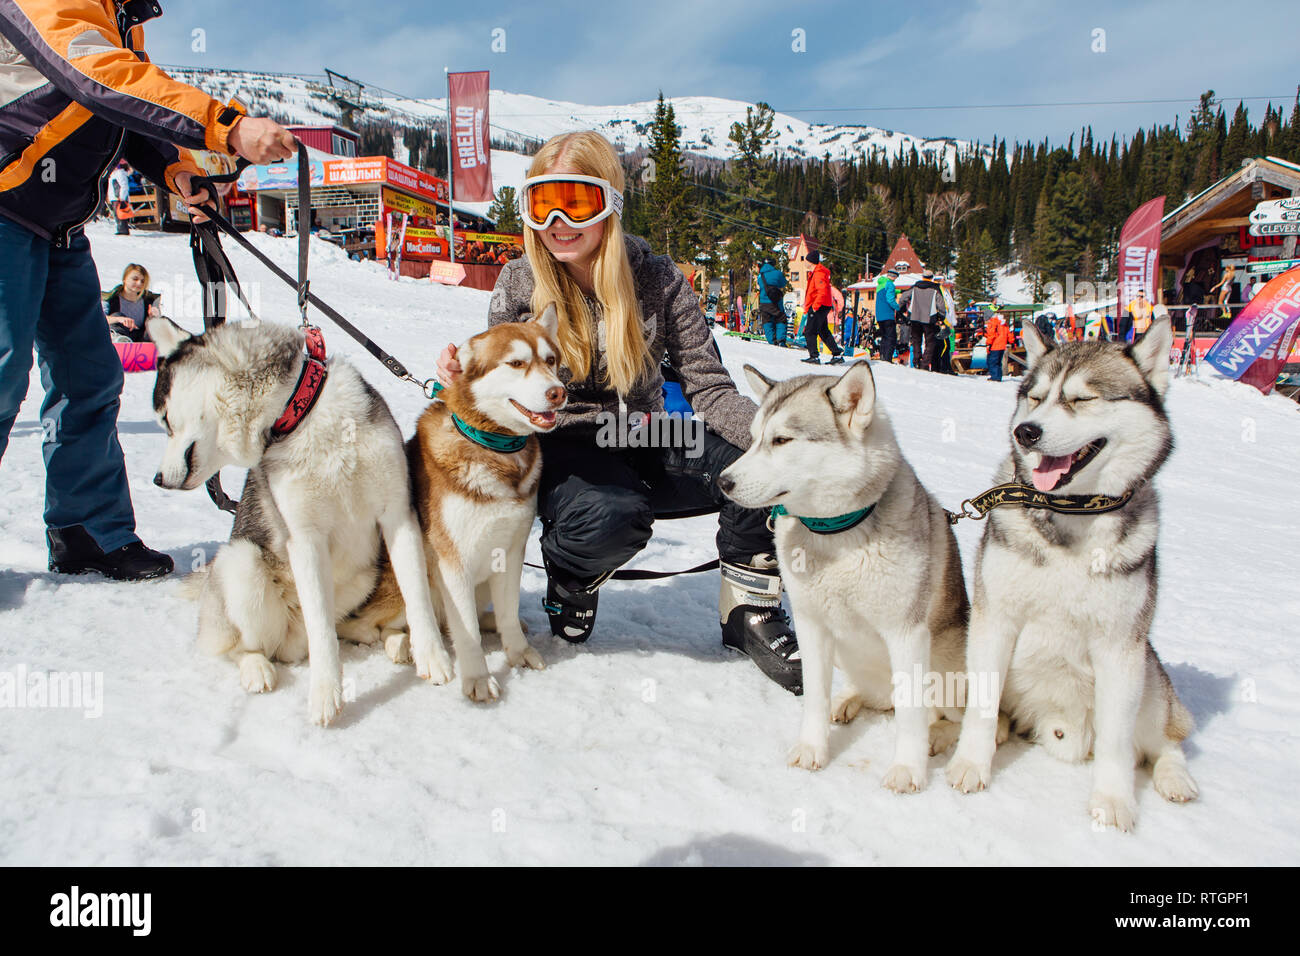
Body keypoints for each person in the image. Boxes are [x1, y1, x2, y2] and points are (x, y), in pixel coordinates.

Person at [434, 131, 802, 693]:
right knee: (608, 517)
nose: (557, 219)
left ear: (610, 201)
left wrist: (771, 437)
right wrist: (458, 376)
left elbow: (708, 386)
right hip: (566, 440)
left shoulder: (656, 279)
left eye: (575, 201)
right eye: (541, 201)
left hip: (644, 429)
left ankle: (748, 605)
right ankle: (574, 579)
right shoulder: (519, 281)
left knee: (758, 467)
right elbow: (499, 374)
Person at [0, 0, 298, 581]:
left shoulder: (122, 18)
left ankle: (87, 530)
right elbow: (97, 78)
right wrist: (227, 126)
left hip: (58, 224)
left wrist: (174, 169)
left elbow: (117, 116)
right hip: (5, 205)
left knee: (89, 377)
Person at [800, 250, 843, 365]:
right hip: (822, 305)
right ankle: (836, 354)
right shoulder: (815, 272)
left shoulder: (818, 273)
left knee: (810, 331)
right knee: (823, 331)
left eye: (806, 259)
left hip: (819, 306)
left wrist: (814, 306)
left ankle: (814, 356)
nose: (805, 262)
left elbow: (822, 292)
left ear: (811, 261)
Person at [103, 264, 159, 344]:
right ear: (124, 279)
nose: (139, 283)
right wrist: (118, 319)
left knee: (153, 323)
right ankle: (121, 341)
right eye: (135, 279)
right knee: (117, 315)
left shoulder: (149, 302)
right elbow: (99, 319)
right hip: (116, 340)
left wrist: (155, 317)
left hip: (141, 341)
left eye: (142, 281)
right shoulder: (110, 299)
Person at [905, 269, 944, 372]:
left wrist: (903, 310)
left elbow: (904, 298)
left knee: (916, 340)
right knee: (930, 342)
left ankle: (916, 361)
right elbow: (941, 305)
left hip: (914, 317)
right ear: (932, 278)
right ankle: (925, 363)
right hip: (929, 317)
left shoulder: (915, 287)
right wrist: (941, 317)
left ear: (922, 277)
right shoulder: (935, 289)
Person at [756, 257, 788, 347]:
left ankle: (772, 342)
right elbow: (783, 283)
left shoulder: (760, 276)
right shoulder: (777, 273)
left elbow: (759, 285)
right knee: (781, 318)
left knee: (767, 321)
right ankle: (781, 340)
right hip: (775, 301)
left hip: (763, 302)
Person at [875, 266, 901, 362]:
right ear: (894, 276)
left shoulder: (881, 284)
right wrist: (898, 308)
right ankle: (888, 359)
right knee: (891, 338)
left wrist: (900, 291)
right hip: (888, 315)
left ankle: (883, 356)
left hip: (879, 315)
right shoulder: (890, 284)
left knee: (884, 337)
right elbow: (890, 299)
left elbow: (887, 291)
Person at [984, 310, 1010, 382]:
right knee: (998, 362)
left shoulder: (993, 323)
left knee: (992, 362)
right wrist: (1012, 341)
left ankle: (995, 377)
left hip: (995, 346)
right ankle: (998, 376)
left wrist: (988, 343)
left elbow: (991, 335)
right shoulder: (1003, 323)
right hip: (1002, 345)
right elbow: (1008, 333)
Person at [108, 159, 132, 235]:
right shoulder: (114, 173)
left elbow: (124, 186)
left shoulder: (120, 173)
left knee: (120, 214)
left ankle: (123, 229)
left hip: (118, 197)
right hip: (114, 197)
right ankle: (120, 228)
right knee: (116, 213)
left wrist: (122, 198)